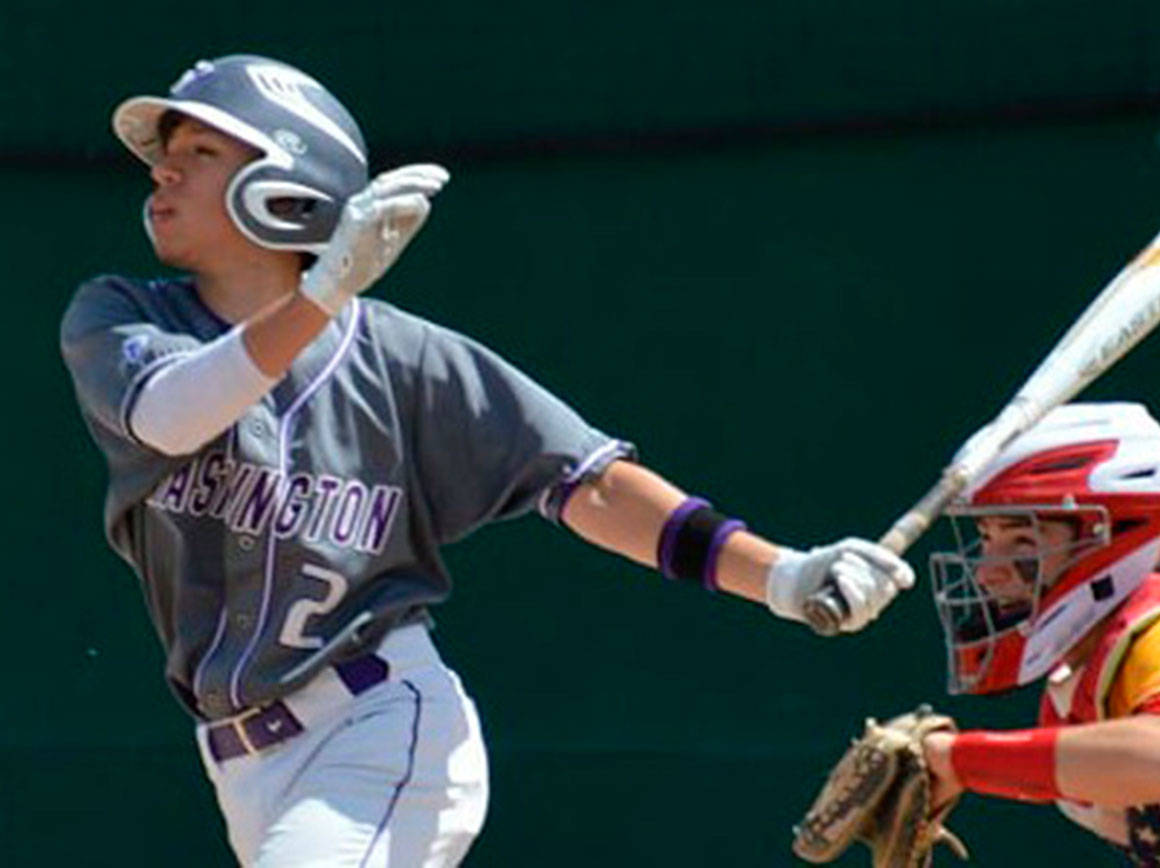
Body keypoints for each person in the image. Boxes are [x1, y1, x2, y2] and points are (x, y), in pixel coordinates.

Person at [59, 54, 915, 867]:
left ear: (288, 184)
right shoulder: (120, 315)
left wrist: (783, 576)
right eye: (165, 157)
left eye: (201, 152)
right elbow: (172, 415)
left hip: (378, 728)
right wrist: (319, 299)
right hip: (240, 764)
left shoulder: (404, 359)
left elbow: (586, 482)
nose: (164, 173)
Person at [913, 402, 1160, 866]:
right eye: (987, 537)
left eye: (1023, 541)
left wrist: (960, 760)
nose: (985, 575)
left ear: (1111, 537)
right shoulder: (1079, 683)